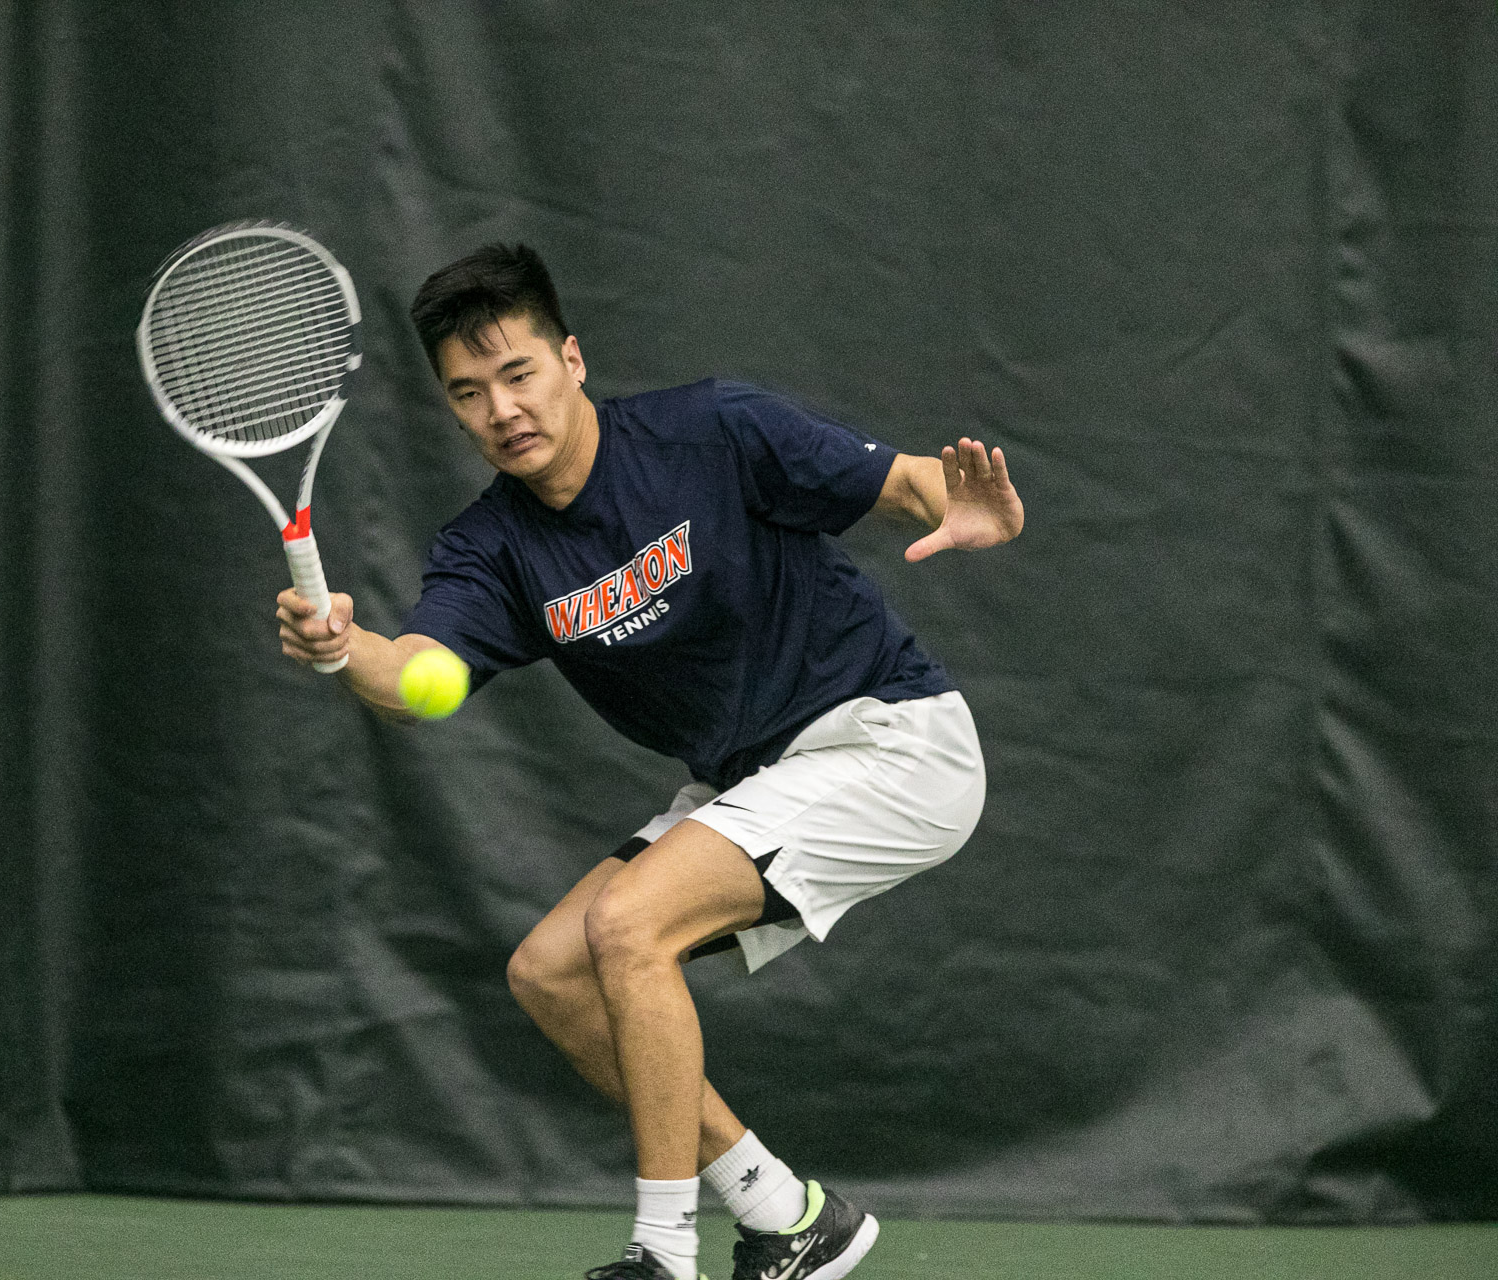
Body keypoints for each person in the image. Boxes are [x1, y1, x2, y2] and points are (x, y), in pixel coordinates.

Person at [277, 244, 1023, 1280]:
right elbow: (416, 677)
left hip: (891, 739)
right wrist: (343, 646)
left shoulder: (709, 429)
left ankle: (662, 1250)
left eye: (518, 372)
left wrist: (966, 501)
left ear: (572, 359)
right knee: (552, 971)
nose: (501, 408)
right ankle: (788, 1211)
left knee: (626, 923)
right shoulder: (490, 549)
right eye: (468, 393)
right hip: (757, 777)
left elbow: (900, 480)